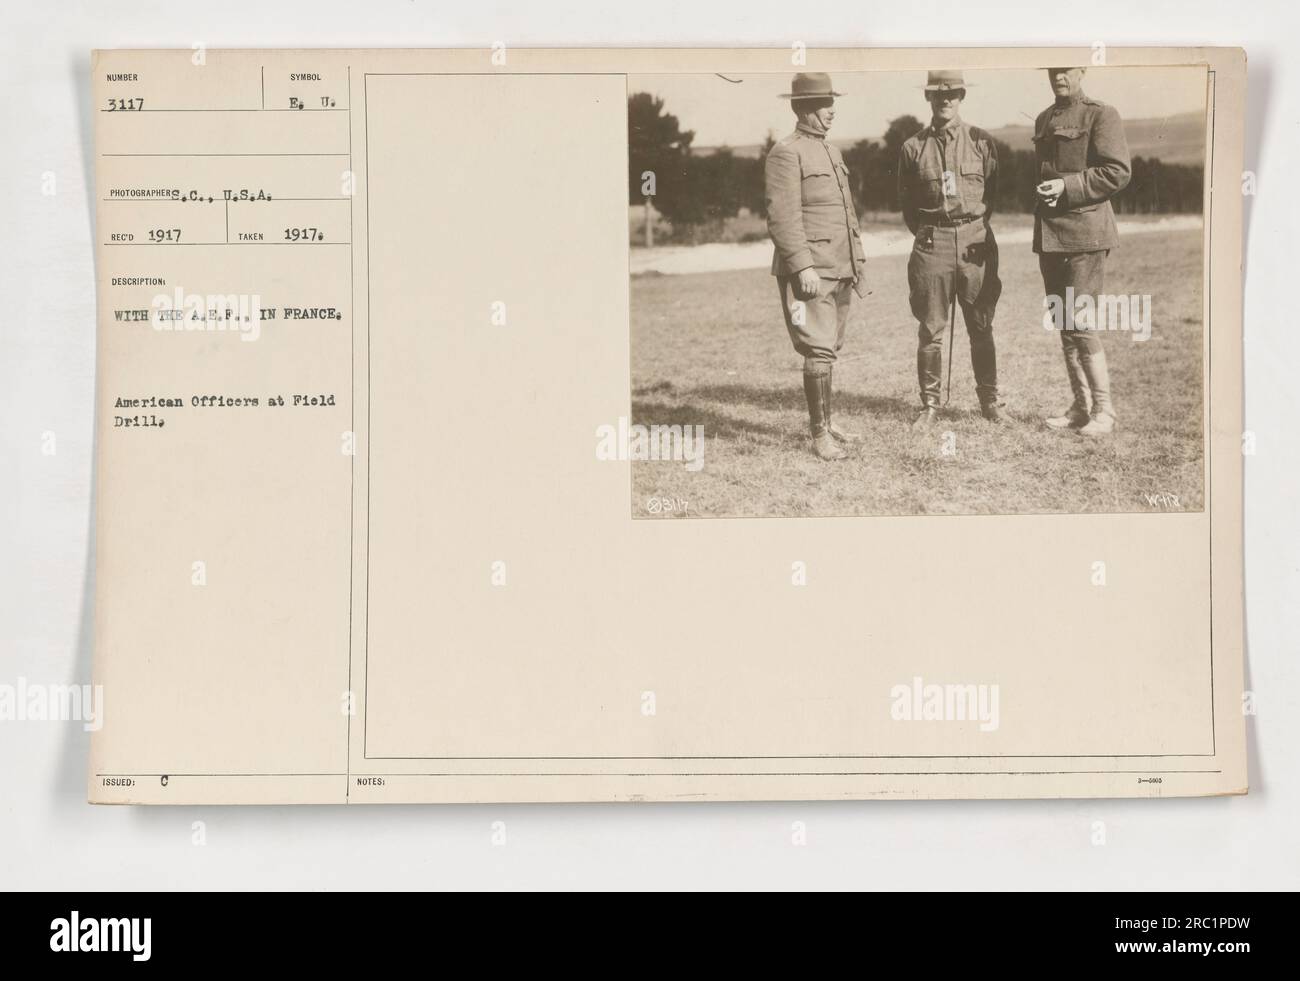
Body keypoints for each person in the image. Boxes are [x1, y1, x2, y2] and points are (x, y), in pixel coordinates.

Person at [764, 72, 868, 461]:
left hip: (839, 266)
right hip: (811, 271)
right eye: (824, 104)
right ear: (803, 109)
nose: (832, 111)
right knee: (818, 348)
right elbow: (781, 217)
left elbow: (845, 212)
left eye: (832, 103)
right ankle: (818, 434)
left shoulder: (831, 152)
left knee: (830, 348)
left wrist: (856, 262)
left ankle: (829, 421)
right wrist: (802, 266)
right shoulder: (785, 153)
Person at [897, 70, 1004, 430]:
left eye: (952, 94)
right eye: (937, 95)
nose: (945, 100)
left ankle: (989, 400)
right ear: (928, 98)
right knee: (930, 329)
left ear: (961, 96)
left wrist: (970, 227)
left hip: (975, 240)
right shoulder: (913, 148)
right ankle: (929, 404)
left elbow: (992, 197)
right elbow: (908, 205)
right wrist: (935, 231)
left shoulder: (981, 142)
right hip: (932, 242)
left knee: (981, 324)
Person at [1033, 66, 1132, 436]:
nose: (1059, 75)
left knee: (1081, 321)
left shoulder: (1101, 114)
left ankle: (1104, 411)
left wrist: (1066, 186)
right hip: (1051, 234)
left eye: (1067, 69)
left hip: (1087, 231)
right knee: (1063, 321)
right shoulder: (1045, 118)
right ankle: (1081, 406)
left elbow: (1117, 172)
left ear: (1082, 70)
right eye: (1053, 69)